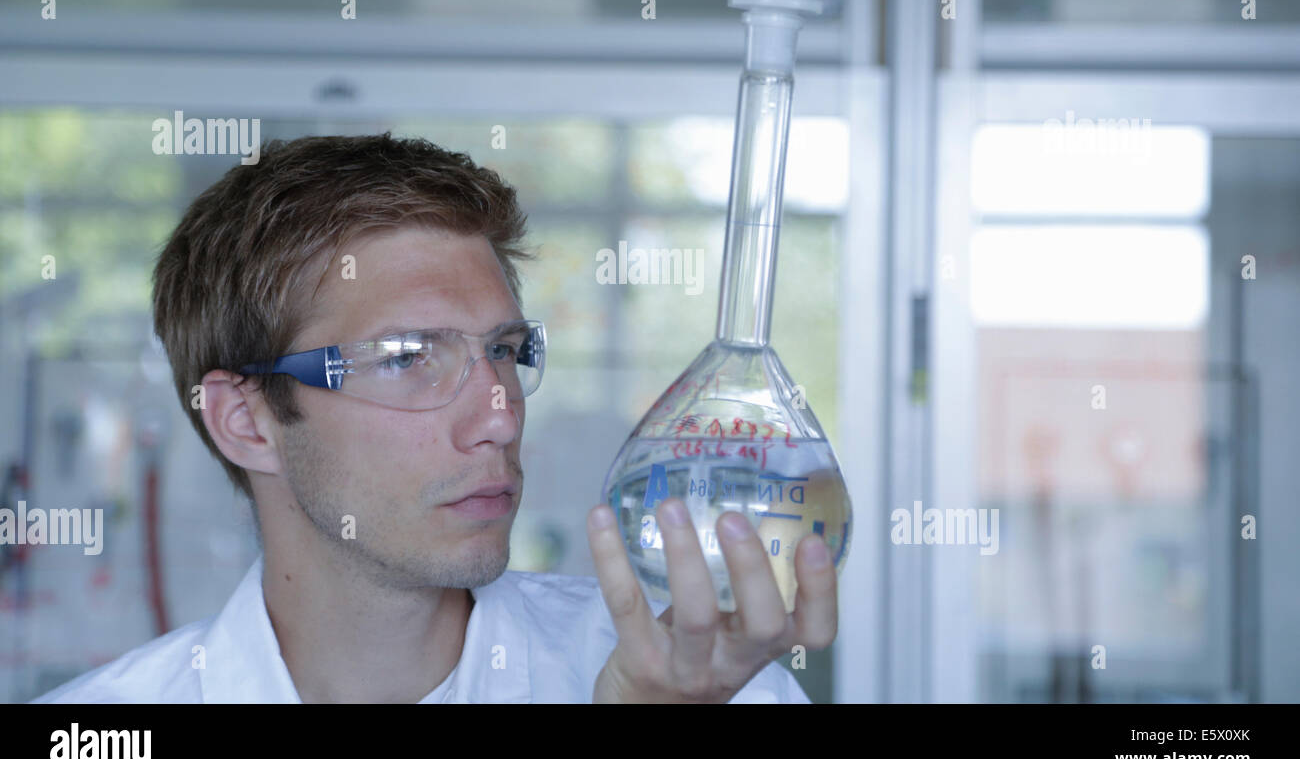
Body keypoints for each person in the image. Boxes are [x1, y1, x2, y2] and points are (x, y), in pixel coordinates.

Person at [34, 133, 836, 704]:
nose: (499, 419)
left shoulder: (692, 679)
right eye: (410, 357)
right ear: (246, 421)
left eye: (504, 351)